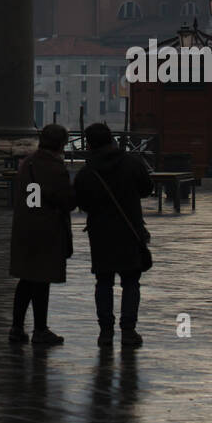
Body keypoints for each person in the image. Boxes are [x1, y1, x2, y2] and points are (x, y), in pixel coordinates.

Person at [74, 121, 154, 348]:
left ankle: (105, 332)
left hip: (100, 232)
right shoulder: (131, 163)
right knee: (131, 281)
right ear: (112, 139)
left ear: (88, 144)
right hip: (130, 229)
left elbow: (81, 202)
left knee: (103, 281)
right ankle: (128, 331)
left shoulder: (87, 171)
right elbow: (147, 188)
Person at [8, 122, 75, 347]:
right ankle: (40, 329)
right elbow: (67, 202)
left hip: (24, 228)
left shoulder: (27, 164)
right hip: (46, 230)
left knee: (26, 281)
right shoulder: (56, 168)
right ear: (60, 145)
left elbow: (31, 198)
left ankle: (17, 328)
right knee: (41, 282)